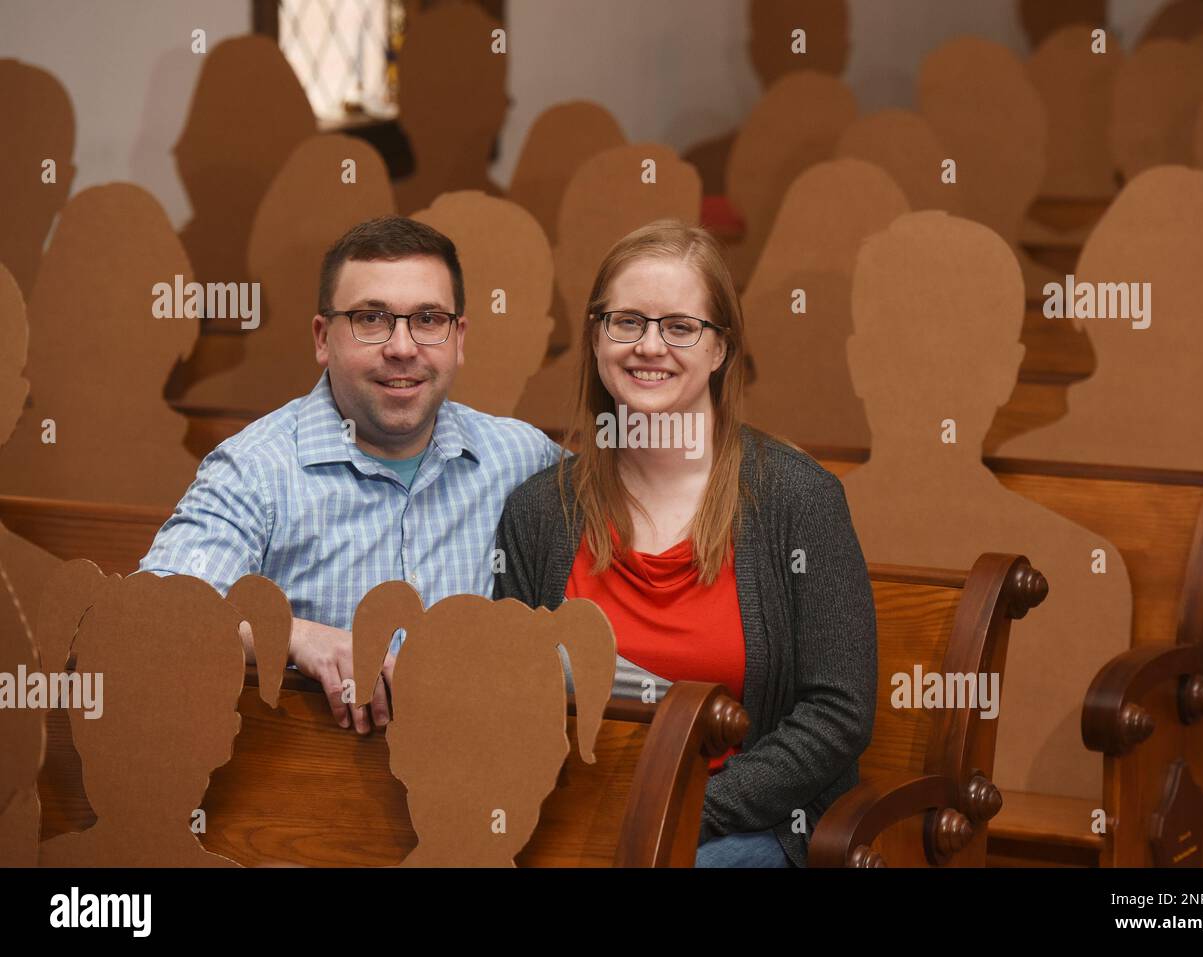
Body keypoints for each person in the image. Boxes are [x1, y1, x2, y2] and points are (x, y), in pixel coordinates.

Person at [492, 219, 875, 868]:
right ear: (594, 336)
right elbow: (508, 689)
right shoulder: (540, 510)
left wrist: (675, 808)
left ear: (720, 349)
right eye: (626, 322)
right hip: (569, 816)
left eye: (679, 326)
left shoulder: (799, 499)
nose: (649, 345)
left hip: (739, 824)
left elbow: (838, 713)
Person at [139, 216, 560, 734]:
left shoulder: (520, 458)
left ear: (458, 337)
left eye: (428, 319)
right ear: (323, 337)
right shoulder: (257, 469)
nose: (402, 347)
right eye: (371, 319)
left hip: (479, 787)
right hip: (313, 793)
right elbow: (156, 611)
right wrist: (292, 635)